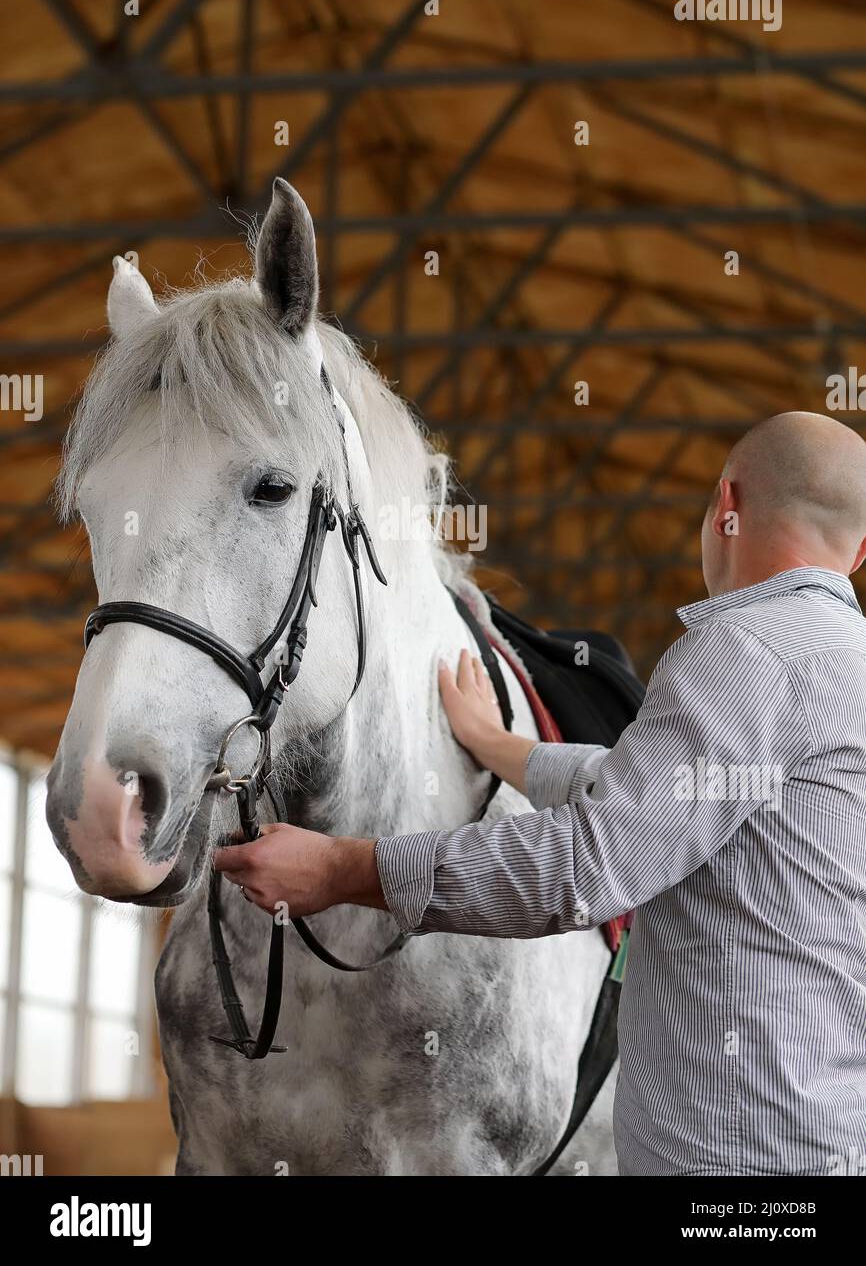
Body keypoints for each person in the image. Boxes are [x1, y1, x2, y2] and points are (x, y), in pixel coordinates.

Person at [215, 411, 866, 1175]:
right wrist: (503, 748)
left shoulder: (747, 648)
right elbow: (655, 798)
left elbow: (585, 863)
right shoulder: (839, 667)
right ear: (858, 555)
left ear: (726, 504)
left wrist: (343, 870)